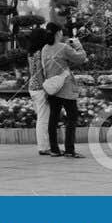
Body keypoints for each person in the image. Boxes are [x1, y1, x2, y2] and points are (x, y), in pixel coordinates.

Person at [41, 22, 89, 159]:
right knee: (72, 118)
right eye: (61, 31)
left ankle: (55, 149)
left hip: (52, 88)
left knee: (53, 118)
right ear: (58, 33)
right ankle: (69, 150)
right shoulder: (63, 47)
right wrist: (78, 45)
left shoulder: (45, 48)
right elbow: (81, 58)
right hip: (66, 87)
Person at [25, 28, 51, 156]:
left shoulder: (31, 52)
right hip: (39, 88)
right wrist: (45, 88)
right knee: (43, 118)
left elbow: (31, 71)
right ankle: (44, 147)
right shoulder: (40, 52)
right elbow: (40, 72)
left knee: (41, 117)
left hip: (32, 87)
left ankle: (44, 145)